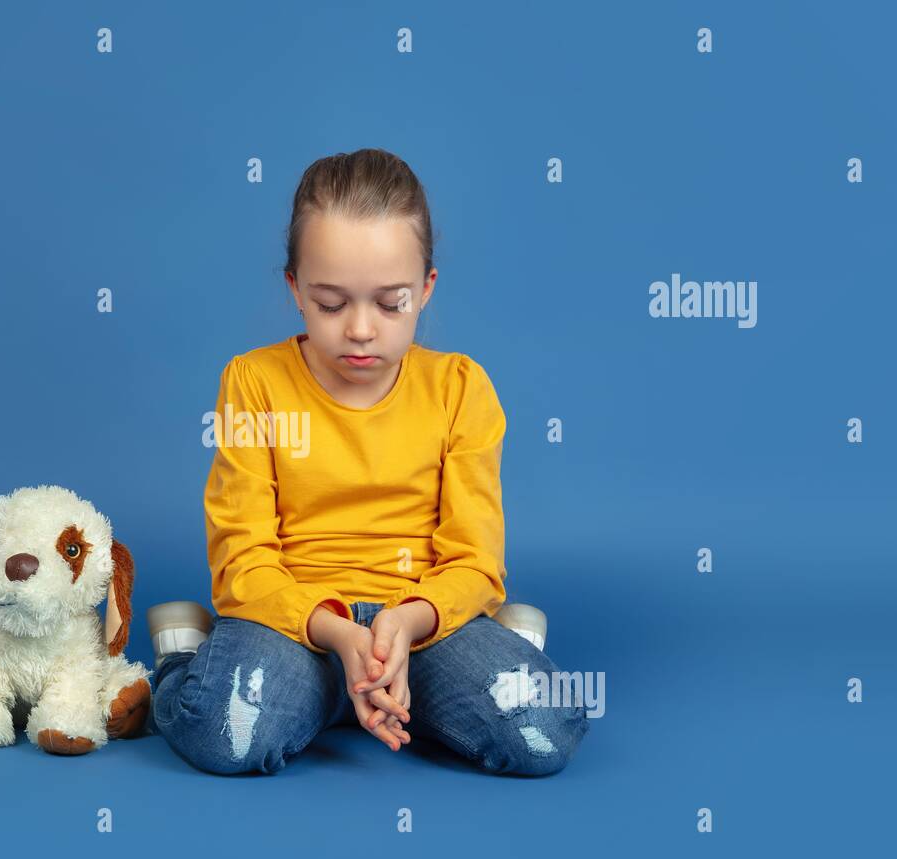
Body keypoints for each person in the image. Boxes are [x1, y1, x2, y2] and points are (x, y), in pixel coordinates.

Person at [149, 148, 590, 775]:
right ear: (295, 289)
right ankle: (183, 658)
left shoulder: (461, 387)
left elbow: (475, 558)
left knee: (540, 735)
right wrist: (339, 636)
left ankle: (485, 654)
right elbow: (241, 560)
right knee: (228, 735)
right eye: (331, 303)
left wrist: (406, 626)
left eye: (390, 303)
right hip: (295, 625)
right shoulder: (253, 381)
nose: (360, 329)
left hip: (424, 624)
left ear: (426, 290)